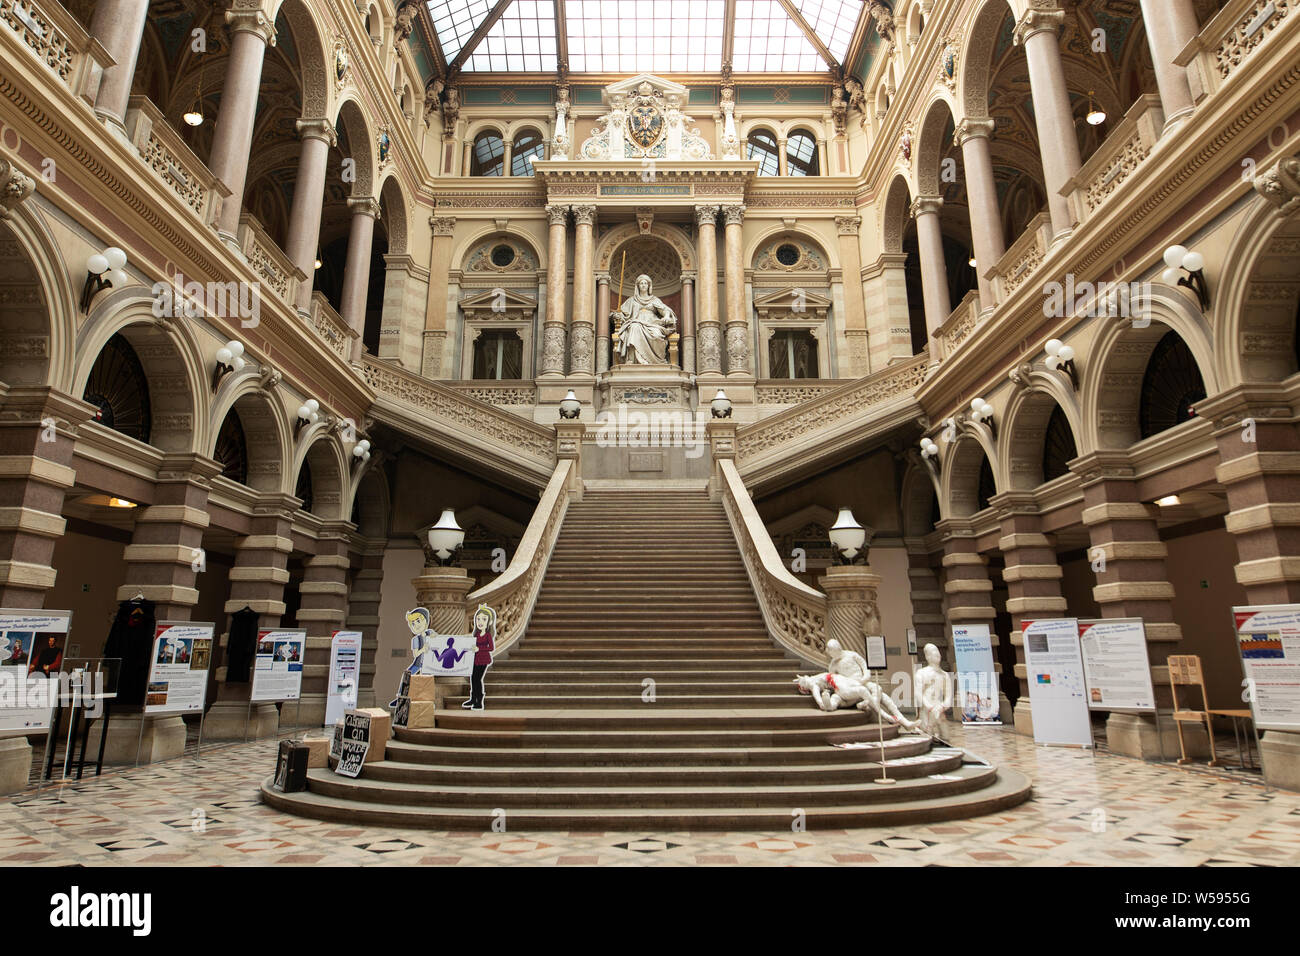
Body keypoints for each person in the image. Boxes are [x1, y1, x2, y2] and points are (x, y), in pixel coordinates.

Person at [611, 274, 677, 365]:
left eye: (645, 283)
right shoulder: (632, 300)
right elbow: (621, 312)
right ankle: (632, 358)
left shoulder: (654, 299)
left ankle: (655, 360)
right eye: (641, 283)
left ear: (649, 286)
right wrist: (618, 315)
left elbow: (665, 310)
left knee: (657, 334)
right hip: (636, 322)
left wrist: (666, 316)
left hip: (653, 324)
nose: (643, 285)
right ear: (638, 286)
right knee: (634, 327)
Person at [464, 605, 497, 710]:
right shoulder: (477, 634)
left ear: (489, 622)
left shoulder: (487, 635)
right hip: (475, 658)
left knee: (478, 679)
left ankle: (479, 700)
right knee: (473, 678)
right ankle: (473, 698)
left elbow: (491, 648)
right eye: (478, 619)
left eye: (483, 619)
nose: (480, 621)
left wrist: (480, 649)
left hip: (483, 659)